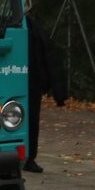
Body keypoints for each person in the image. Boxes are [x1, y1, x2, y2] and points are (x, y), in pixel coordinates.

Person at [26, 12, 67, 172]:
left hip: (29, 80)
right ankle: (29, 157)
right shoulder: (33, 27)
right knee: (30, 120)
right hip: (32, 81)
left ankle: (28, 157)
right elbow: (51, 57)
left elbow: (49, 57)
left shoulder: (31, 27)